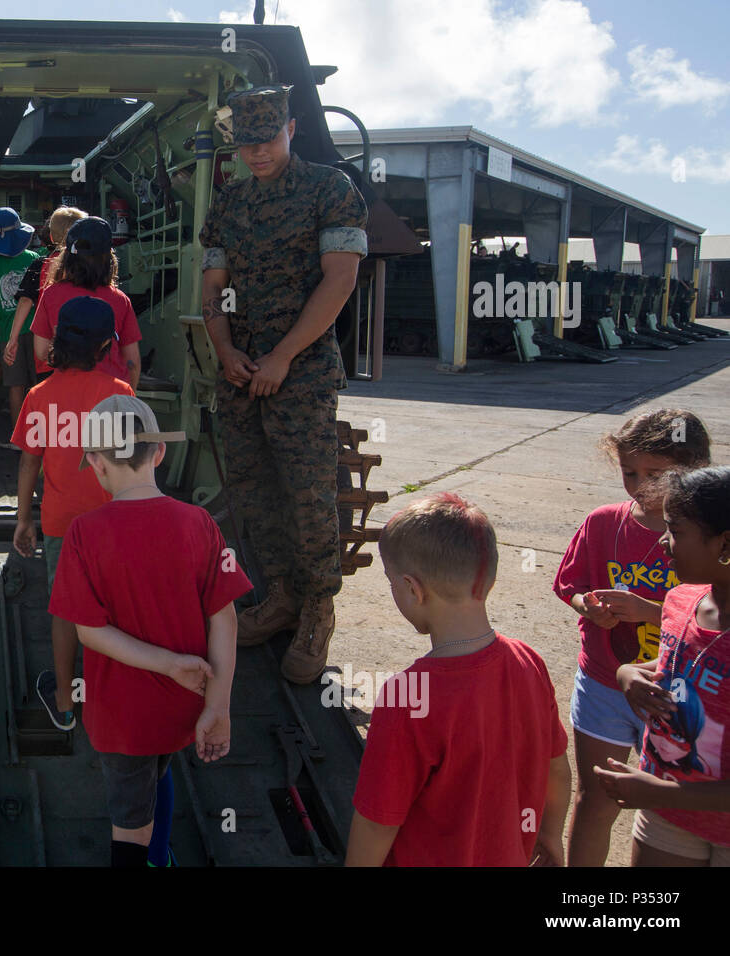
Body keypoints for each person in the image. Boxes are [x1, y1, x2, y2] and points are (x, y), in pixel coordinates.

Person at [198, 85, 367, 684]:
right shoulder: (229, 202)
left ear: (292, 128)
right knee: (252, 491)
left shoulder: (330, 190)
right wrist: (226, 350)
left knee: (308, 494)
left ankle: (319, 606)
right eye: (247, 143)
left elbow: (339, 281)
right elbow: (214, 285)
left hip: (301, 375)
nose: (258, 153)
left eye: (267, 140)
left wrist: (282, 357)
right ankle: (281, 598)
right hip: (242, 373)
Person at [49, 394, 249, 866]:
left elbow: (90, 632)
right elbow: (226, 617)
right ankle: (160, 855)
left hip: (122, 718)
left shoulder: (84, 532)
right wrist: (217, 704)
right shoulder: (200, 523)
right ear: (159, 453)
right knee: (159, 772)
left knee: (129, 826)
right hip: (183, 707)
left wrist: (168, 664)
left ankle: (148, 855)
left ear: (96, 463)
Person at [346, 493, 571, 866]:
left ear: (413, 589)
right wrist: (549, 835)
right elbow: (557, 770)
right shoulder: (528, 661)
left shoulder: (407, 696)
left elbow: (377, 824)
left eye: (391, 582)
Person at [553, 408, 712, 866]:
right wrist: (589, 606)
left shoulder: (709, 540)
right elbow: (572, 584)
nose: (641, 485)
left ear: (696, 470)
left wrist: (649, 611)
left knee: (670, 807)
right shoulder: (604, 522)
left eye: (656, 474)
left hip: (677, 695)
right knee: (596, 796)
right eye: (629, 472)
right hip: (603, 681)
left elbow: (714, 619)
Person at [10, 296, 136, 732]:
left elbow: (29, 461)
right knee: (110, 609)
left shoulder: (38, 396)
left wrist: (24, 518)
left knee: (66, 611)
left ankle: (65, 704)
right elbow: (132, 464)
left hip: (62, 524)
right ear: (106, 348)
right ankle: (108, 699)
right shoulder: (121, 395)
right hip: (114, 525)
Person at [612, 466, 730, 867]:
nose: (663, 543)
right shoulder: (680, 601)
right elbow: (676, 666)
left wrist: (662, 793)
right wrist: (627, 674)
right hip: (667, 815)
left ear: (725, 543)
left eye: (676, 531)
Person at [30, 218, 140, 390]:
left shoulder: (51, 294)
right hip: (111, 398)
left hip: (66, 396)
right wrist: (127, 398)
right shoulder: (121, 300)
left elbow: (41, 351)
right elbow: (132, 362)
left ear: (67, 257)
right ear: (108, 258)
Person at [0, 206, 39, 447]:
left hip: (7, 335)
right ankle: (42, 437)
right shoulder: (35, 260)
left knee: (16, 386)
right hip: (37, 334)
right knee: (38, 386)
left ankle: (19, 439)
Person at [5, 205, 86, 380]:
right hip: (86, 352)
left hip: (48, 353)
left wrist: (13, 339)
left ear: (50, 235)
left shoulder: (40, 265)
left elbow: (25, 301)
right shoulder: (91, 267)